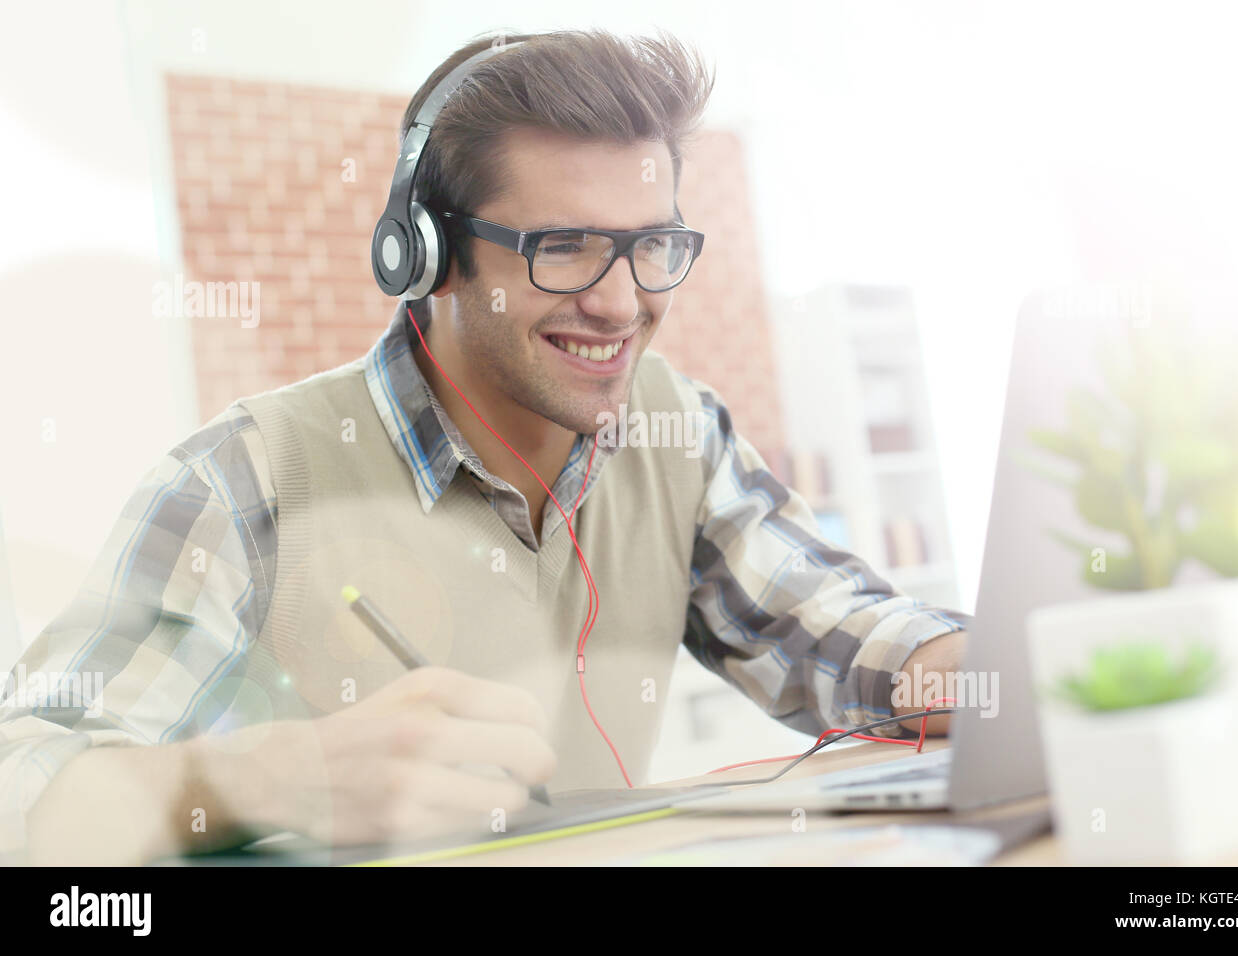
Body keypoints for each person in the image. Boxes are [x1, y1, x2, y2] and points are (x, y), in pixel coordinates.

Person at [0, 28, 969, 865]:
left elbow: (832, 635)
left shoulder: (675, 426)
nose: (622, 302)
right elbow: (22, 783)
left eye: (652, 245)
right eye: (564, 245)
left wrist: (982, 662)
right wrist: (271, 775)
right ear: (424, 253)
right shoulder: (247, 474)